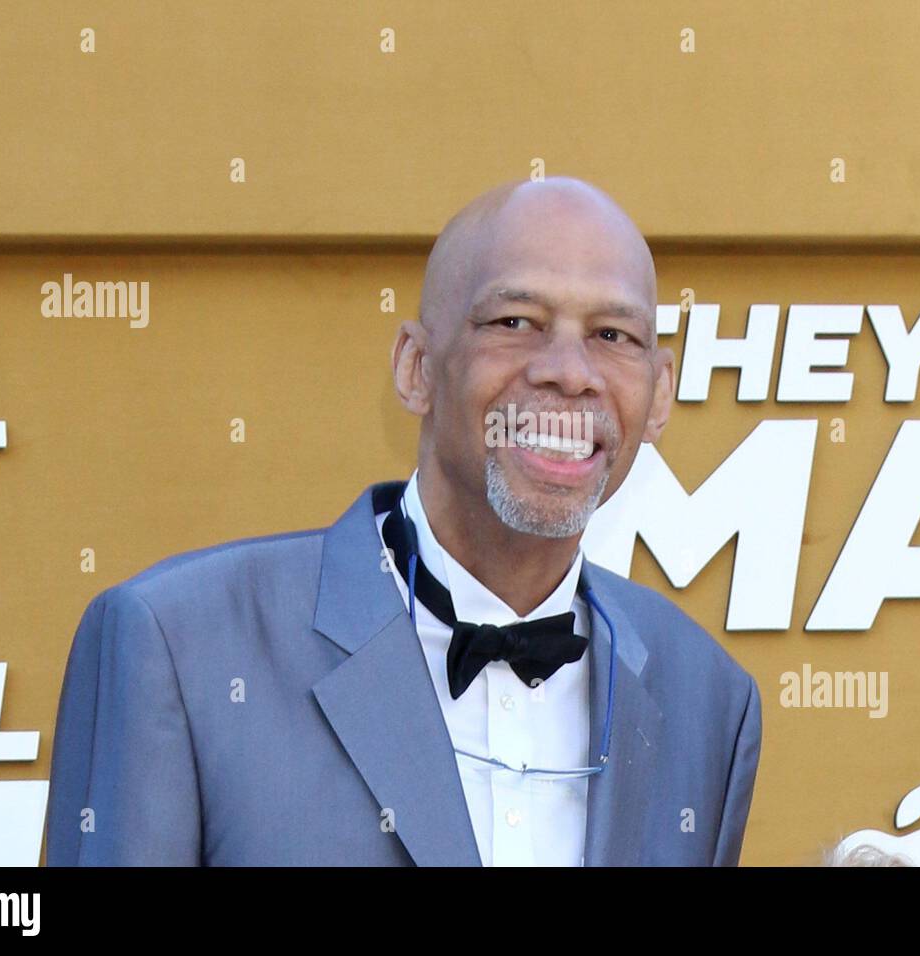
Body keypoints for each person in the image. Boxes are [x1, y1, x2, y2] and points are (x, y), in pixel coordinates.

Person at [46, 176, 763, 866]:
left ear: (660, 394)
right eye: (515, 322)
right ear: (416, 367)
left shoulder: (706, 700)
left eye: (612, 335)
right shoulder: (179, 644)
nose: (569, 372)